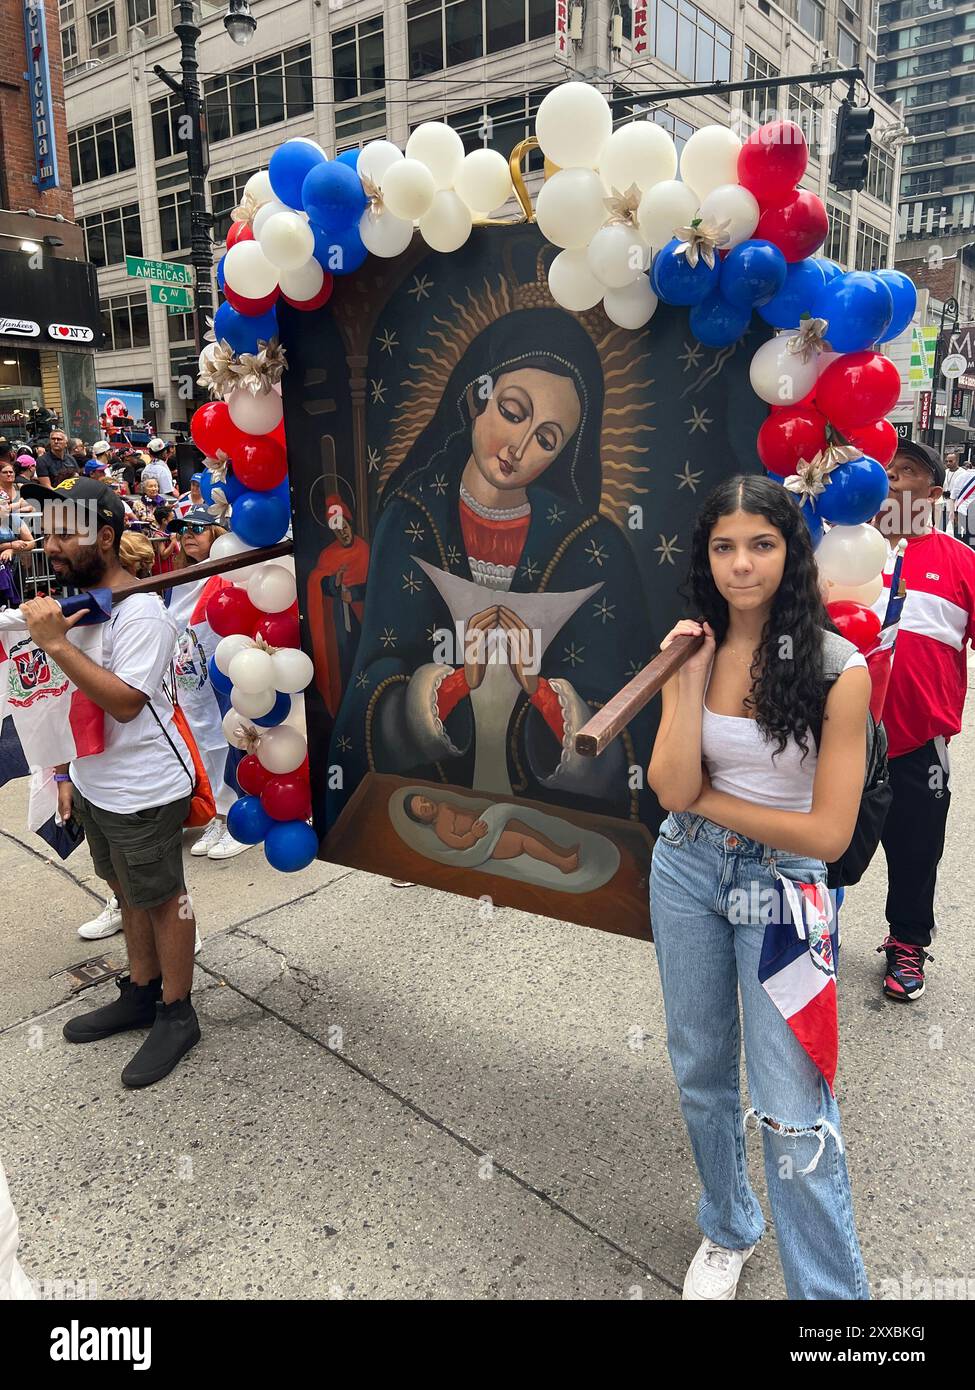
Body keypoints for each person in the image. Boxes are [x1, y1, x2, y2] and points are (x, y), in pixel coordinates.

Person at [647, 475, 871, 1301]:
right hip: (685, 870)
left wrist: (708, 797)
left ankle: (835, 1312)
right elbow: (672, 791)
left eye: (762, 545)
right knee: (700, 1067)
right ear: (706, 557)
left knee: (790, 1108)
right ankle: (727, 1225)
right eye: (723, 547)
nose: (742, 566)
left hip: (784, 893)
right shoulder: (689, 647)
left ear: (791, 551)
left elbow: (826, 835)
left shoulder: (836, 669)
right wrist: (681, 676)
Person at [325, 310, 656, 832]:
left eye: (547, 439)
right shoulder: (412, 519)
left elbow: (629, 709)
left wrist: (543, 693)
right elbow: (373, 679)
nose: (519, 449)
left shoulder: (591, 547)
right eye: (512, 410)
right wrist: (456, 684)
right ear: (477, 396)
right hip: (432, 810)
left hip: (550, 822)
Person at [18, 477, 202, 1087]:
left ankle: (178, 1011)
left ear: (104, 535)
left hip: (144, 785)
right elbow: (65, 700)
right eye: (46, 535)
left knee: (162, 896)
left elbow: (124, 702)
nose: (52, 547)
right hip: (96, 782)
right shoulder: (79, 606)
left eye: (65, 534)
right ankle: (142, 991)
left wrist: (54, 643)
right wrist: (64, 772)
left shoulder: (142, 611)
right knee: (125, 891)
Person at [870, 442, 975, 1000]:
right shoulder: (843, 547)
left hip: (918, 743)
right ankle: (811, 934)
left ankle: (907, 941)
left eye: (905, 471)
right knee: (821, 848)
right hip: (842, 738)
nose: (890, 477)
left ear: (934, 494)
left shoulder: (962, 563)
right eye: (885, 467)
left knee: (916, 850)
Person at [166, 506, 250, 861]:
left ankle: (240, 820)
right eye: (182, 529)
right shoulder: (177, 583)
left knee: (232, 740)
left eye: (197, 529)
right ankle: (219, 814)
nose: (187, 534)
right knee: (205, 748)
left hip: (224, 674)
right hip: (190, 683)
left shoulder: (228, 575)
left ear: (216, 534)